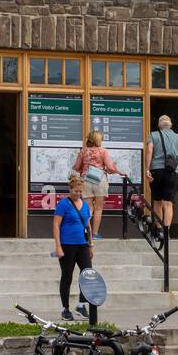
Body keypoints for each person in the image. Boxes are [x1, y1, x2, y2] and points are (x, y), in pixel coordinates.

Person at [53, 176, 94, 322]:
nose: (78, 194)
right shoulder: (63, 204)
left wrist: (90, 244)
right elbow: (56, 225)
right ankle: (65, 308)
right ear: (70, 189)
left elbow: (88, 226)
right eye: (76, 191)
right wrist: (58, 246)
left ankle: (82, 305)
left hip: (82, 244)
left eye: (80, 191)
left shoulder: (85, 205)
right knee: (67, 276)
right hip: (67, 244)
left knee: (87, 274)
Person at [72, 130, 120, 239]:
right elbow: (110, 167)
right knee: (98, 208)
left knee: (87, 208)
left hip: (85, 180)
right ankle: (95, 234)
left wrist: (84, 169)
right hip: (100, 179)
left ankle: (85, 233)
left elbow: (76, 167)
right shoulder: (103, 151)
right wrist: (117, 171)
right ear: (98, 139)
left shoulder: (83, 151)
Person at [144, 115, 178, 228]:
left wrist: (147, 169)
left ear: (159, 125)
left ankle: (159, 230)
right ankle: (166, 230)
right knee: (168, 203)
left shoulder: (153, 135)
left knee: (157, 201)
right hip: (172, 172)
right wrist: (177, 171)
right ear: (170, 125)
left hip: (156, 170)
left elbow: (149, 150)